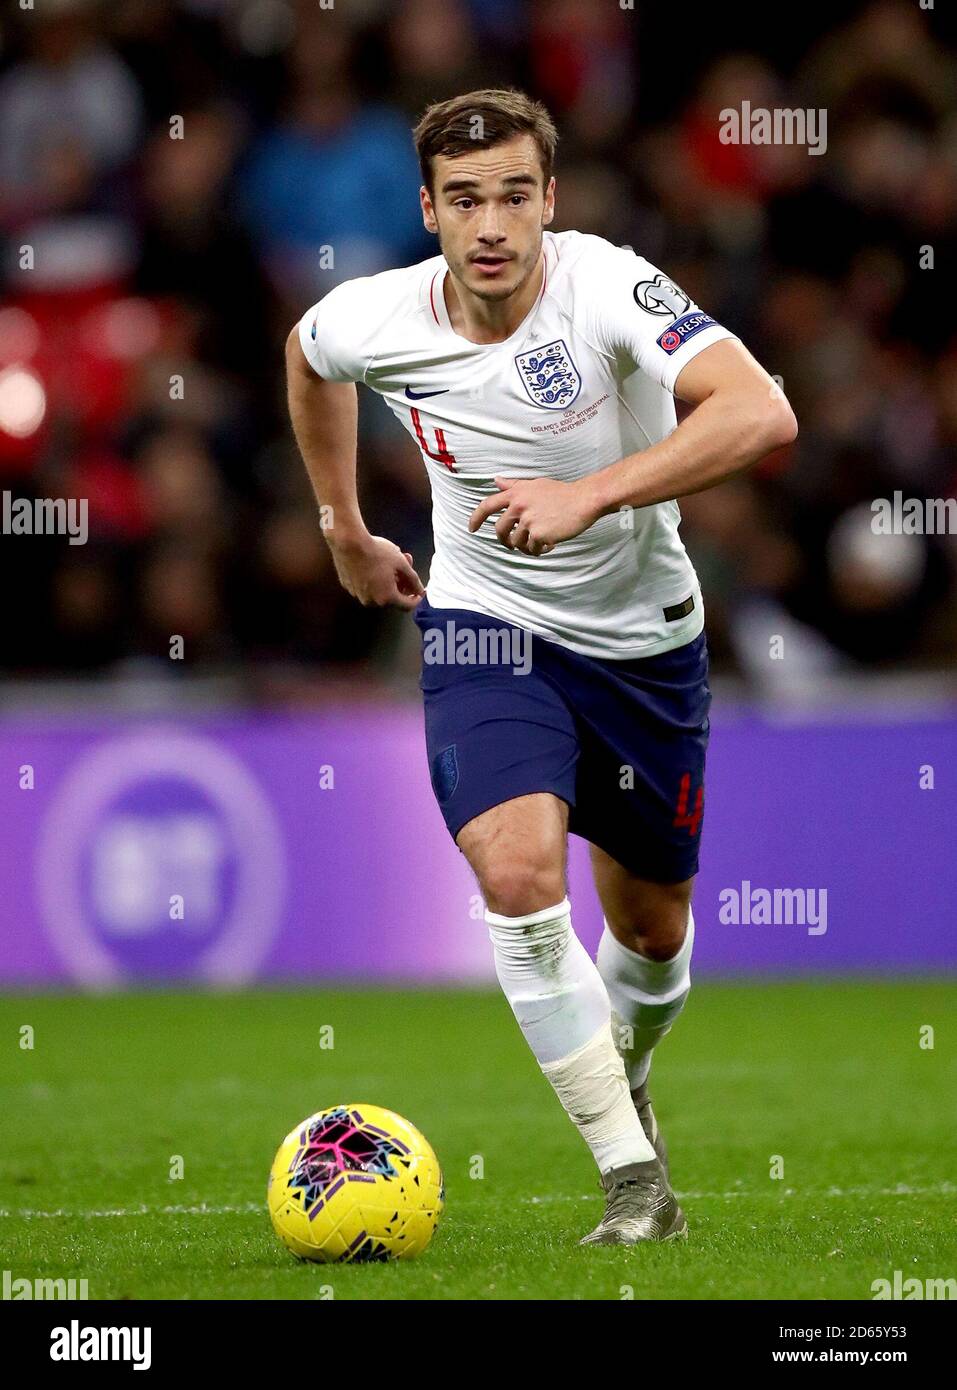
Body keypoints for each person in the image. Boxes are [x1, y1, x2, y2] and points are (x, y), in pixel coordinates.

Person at [286, 88, 797, 1245]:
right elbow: (304, 361)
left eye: (516, 194)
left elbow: (762, 413)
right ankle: (631, 1178)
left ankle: (633, 1074)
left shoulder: (606, 285)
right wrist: (343, 527)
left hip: (640, 641)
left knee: (654, 927)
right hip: (483, 627)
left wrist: (592, 492)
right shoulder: (375, 315)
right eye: (465, 199)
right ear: (428, 210)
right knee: (516, 876)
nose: (493, 225)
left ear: (550, 201)